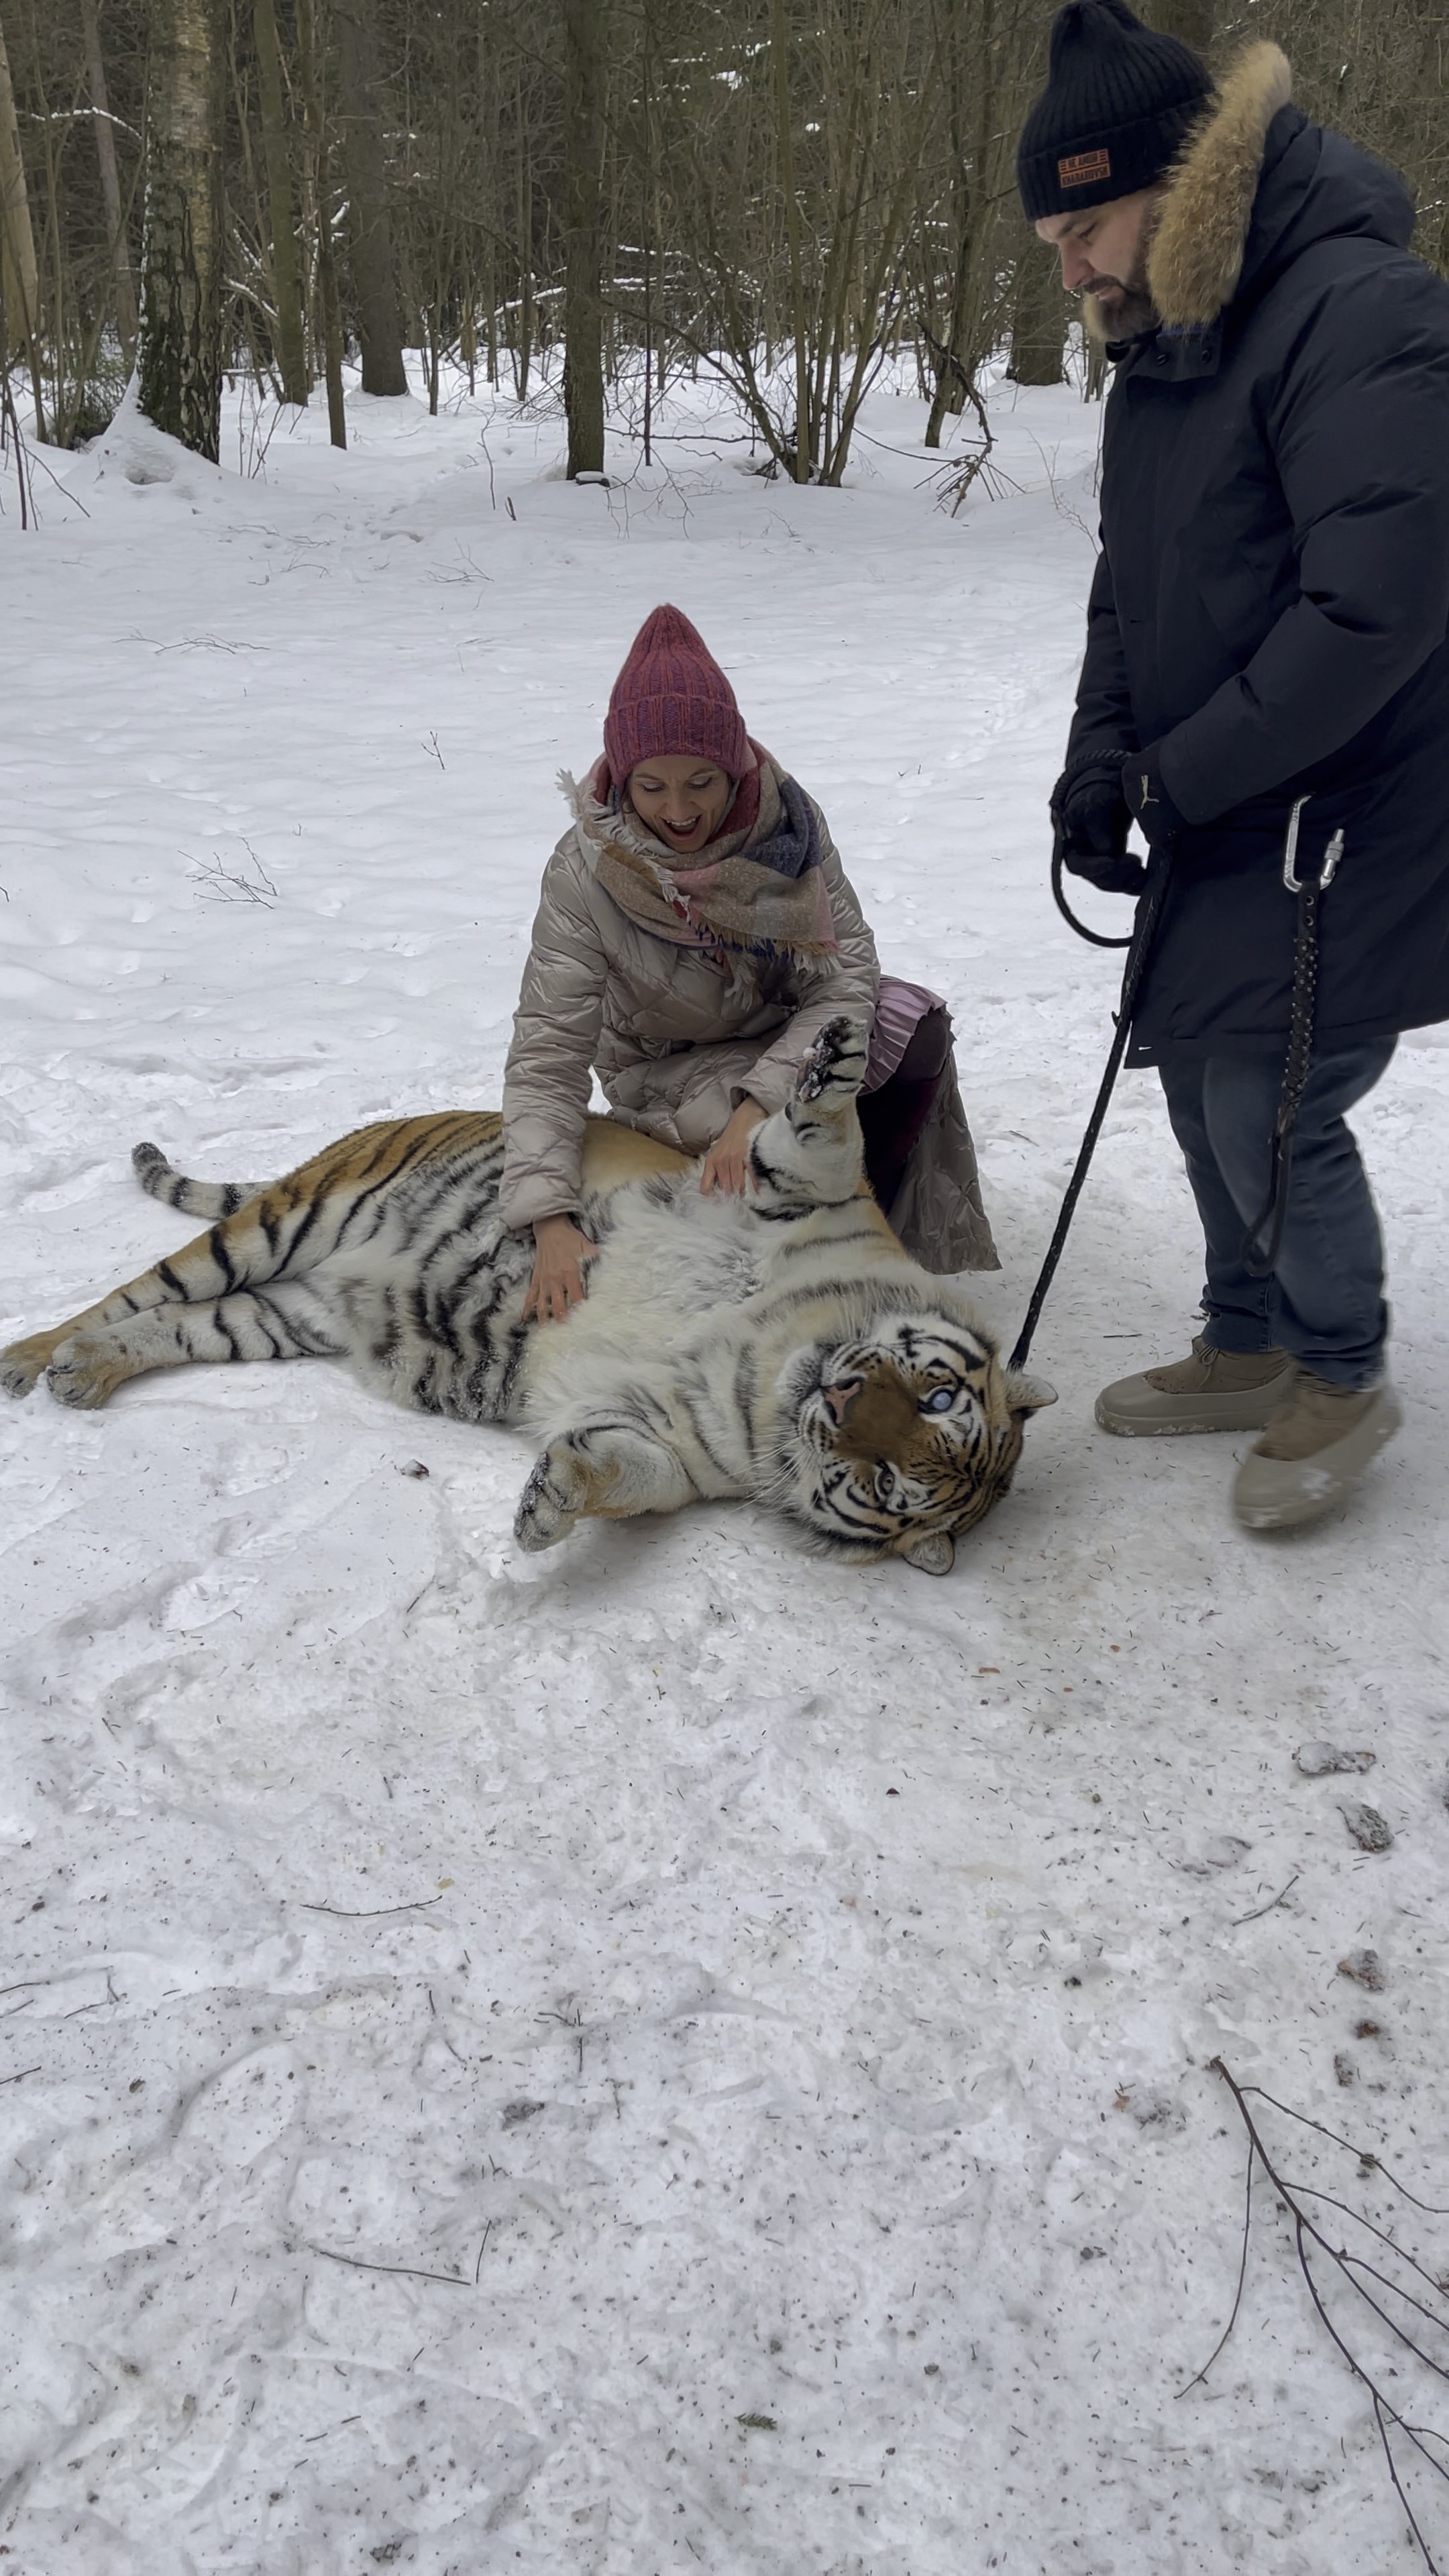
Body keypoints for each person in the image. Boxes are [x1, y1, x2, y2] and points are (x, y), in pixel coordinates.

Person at [1018, 0, 1449, 1529]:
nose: (1063, 266)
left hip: (1349, 799)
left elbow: (1375, 604)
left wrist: (1178, 772)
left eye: (1083, 226)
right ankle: (1246, 1336)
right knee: (1196, 1058)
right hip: (1225, 793)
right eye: (1051, 239)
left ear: (1181, 186)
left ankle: (1337, 1367)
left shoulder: (1358, 308)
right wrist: (1098, 765)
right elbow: (1126, 594)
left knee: (1265, 1092)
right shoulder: (1164, 346)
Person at [500, 604, 997, 1319]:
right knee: (783, 1129)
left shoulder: (787, 826)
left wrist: (759, 1100)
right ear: (622, 777)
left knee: (907, 1023)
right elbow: (547, 1051)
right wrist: (547, 1218)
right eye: (652, 786)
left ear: (733, 767)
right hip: (666, 1073)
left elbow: (846, 980)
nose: (678, 809)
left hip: (772, 1047)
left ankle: (867, 1235)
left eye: (701, 782)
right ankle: (797, 1256)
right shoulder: (586, 872)